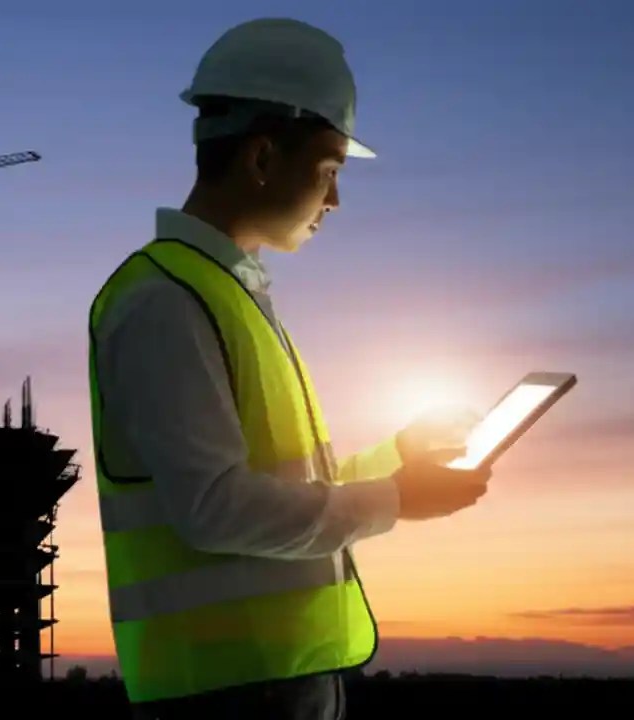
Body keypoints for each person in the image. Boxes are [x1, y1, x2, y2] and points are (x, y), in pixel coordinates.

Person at [86, 17, 493, 719]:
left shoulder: (225, 295)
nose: (334, 200)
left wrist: (399, 459)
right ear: (264, 157)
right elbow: (214, 510)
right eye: (330, 171)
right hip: (227, 697)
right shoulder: (165, 301)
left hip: (270, 684)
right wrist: (397, 499)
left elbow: (286, 488)